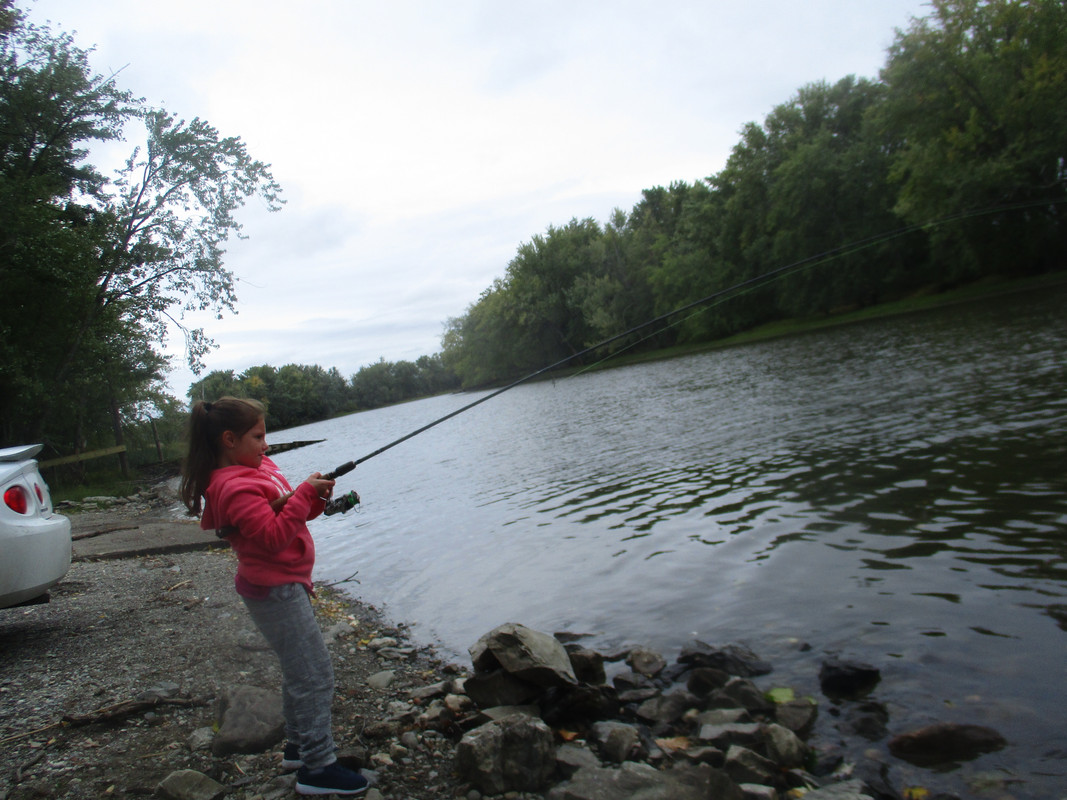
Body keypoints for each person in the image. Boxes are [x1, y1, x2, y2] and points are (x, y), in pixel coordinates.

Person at [179, 396, 368, 797]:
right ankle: (317, 769)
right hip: (274, 589)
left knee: (299, 669)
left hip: (282, 584)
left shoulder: (255, 468)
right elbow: (271, 537)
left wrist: (311, 495)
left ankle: (300, 748)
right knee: (316, 676)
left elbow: (289, 514)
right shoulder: (233, 487)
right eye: (258, 436)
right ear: (229, 439)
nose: (266, 444)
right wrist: (300, 496)